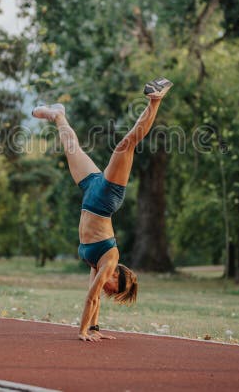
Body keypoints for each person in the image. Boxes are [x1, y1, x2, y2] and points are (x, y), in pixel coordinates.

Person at [32, 77, 173, 341]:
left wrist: (94, 328)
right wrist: (82, 331)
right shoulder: (110, 261)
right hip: (107, 197)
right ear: (116, 275)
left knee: (70, 146)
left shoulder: (97, 265)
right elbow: (92, 296)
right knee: (126, 144)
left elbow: (94, 298)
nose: (108, 290)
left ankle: (58, 116)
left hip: (91, 193)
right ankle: (156, 100)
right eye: (113, 288)